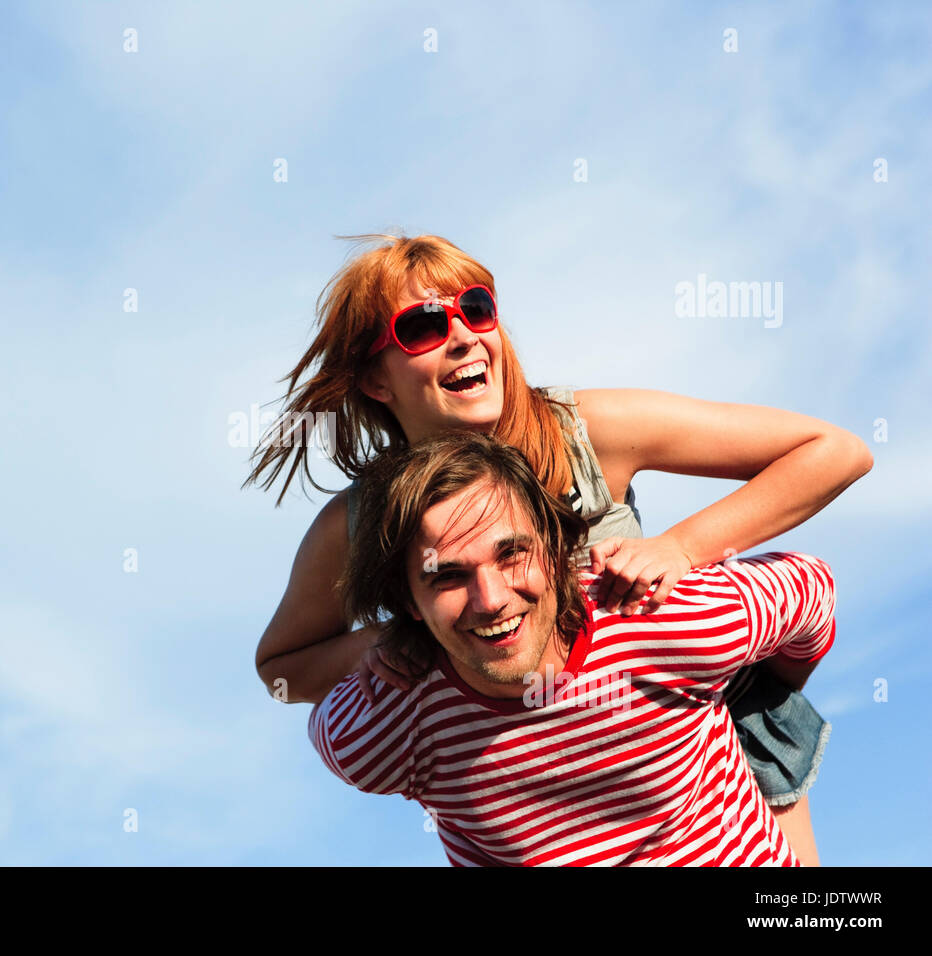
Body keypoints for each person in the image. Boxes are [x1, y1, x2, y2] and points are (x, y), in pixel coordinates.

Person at [249, 233, 872, 865]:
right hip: (518, 764)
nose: (464, 335)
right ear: (374, 381)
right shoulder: (358, 525)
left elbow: (835, 452)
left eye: (477, 308)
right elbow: (281, 671)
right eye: (423, 326)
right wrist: (382, 641)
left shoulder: (583, 431)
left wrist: (684, 547)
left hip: (696, 723)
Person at [311, 430, 837, 866]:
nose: (490, 600)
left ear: (555, 547)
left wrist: (767, 692)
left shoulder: (663, 618)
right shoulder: (384, 725)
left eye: (511, 553)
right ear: (407, 601)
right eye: (447, 577)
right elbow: (320, 719)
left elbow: (812, 589)